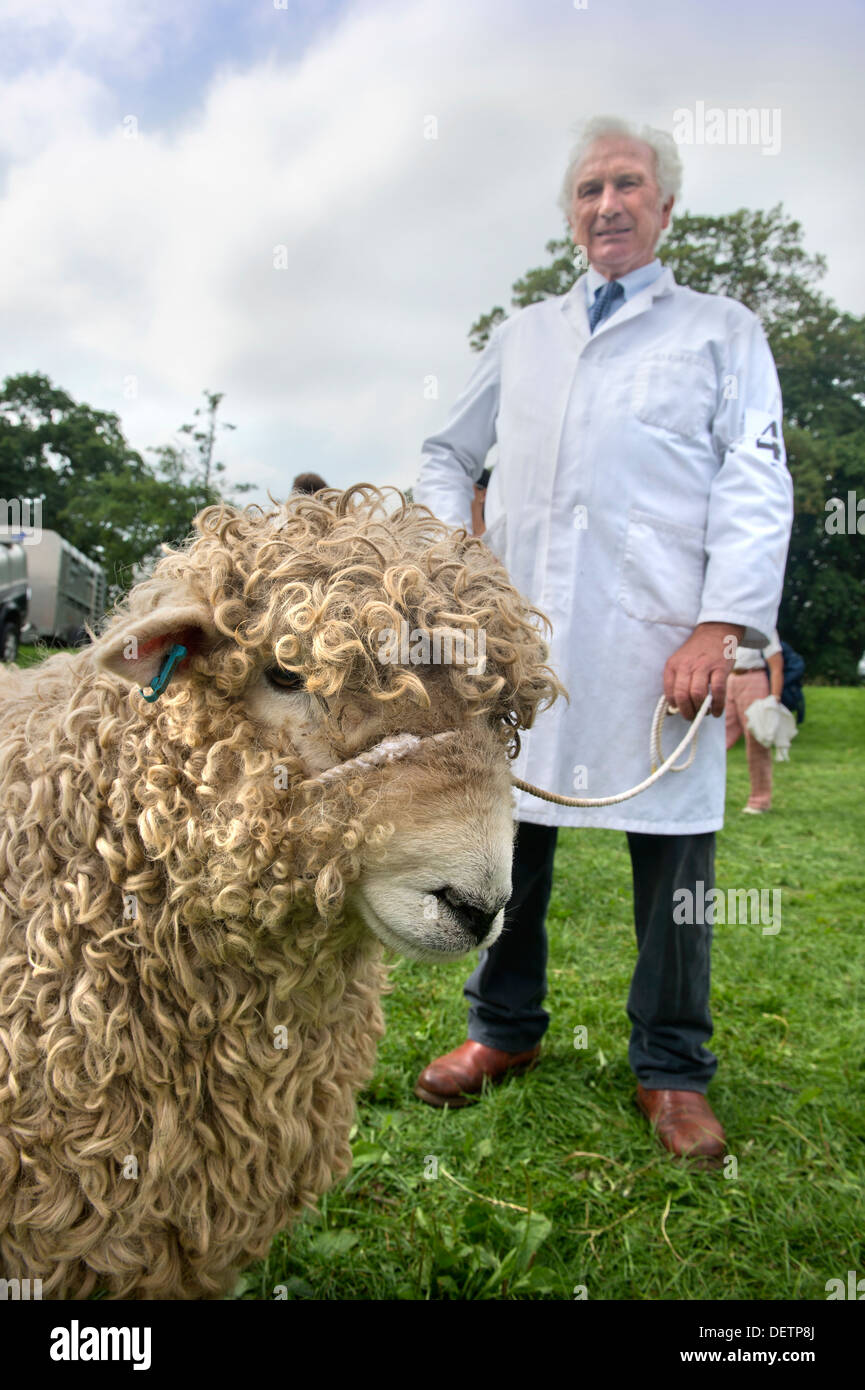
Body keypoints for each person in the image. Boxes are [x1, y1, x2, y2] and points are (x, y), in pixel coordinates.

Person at [413, 115, 793, 1163]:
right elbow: (448, 451)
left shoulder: (723, 332)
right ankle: (502, 1028)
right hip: (527, 640)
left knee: (674, 854)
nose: (606, 205)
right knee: (513, 837)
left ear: (664, 207)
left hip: (658, 642)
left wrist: (723, 622)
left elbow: (758, 483)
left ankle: (671, 1067)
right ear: (570, 214)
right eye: (588, 190)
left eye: (627, 185)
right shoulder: (524, 333)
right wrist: (461, 562)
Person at [725, 629, 784, 813]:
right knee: (717, 738)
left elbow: (776, 665)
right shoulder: (729, 627)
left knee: (756, 740)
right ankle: (705, 794)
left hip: (753, 678)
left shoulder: (762, 626)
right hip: (729, 678)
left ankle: (760, 800)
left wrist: (774, 698)